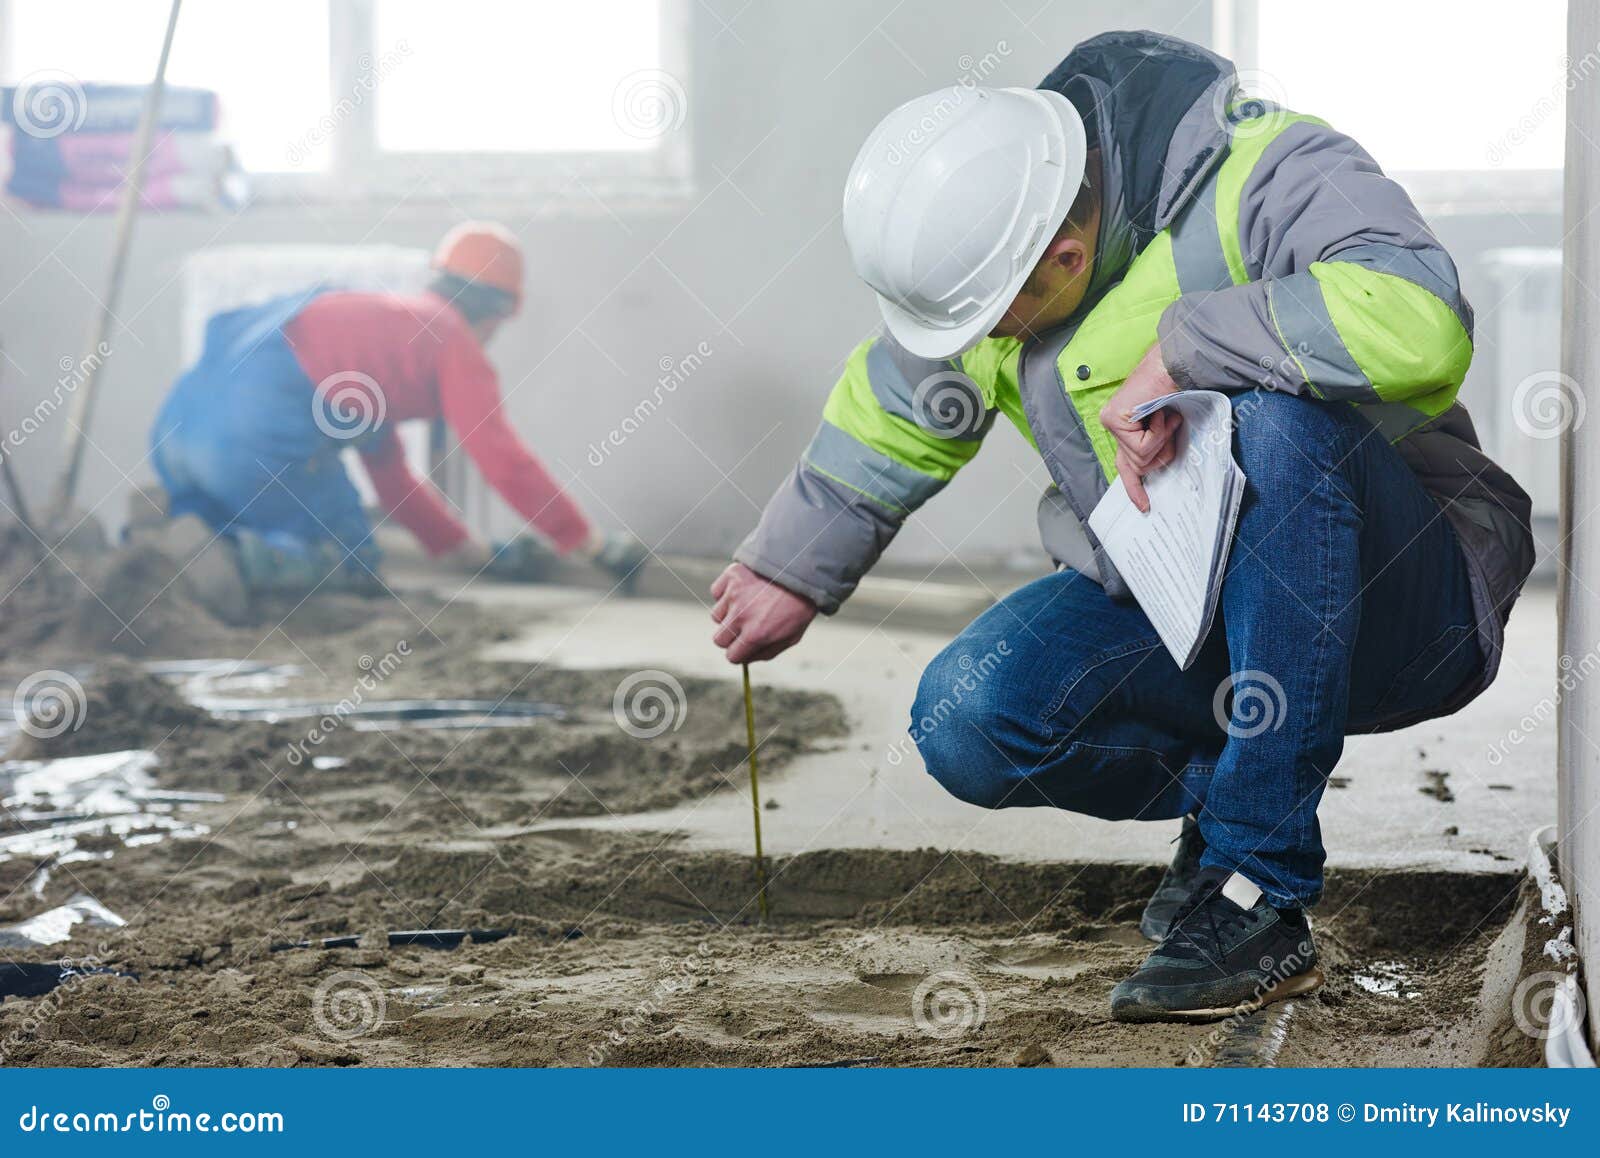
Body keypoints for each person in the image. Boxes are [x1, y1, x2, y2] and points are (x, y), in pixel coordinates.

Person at [709, 32, 1534, 1021]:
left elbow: (1419, 312)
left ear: (1063, 255)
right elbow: (895, 401)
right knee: (968, 717)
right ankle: (1235, 796)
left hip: (1404, 598)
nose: (984, 345)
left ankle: (1254, 888)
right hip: (1192, 604)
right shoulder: (1001, 260)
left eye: (994, 321)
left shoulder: (1265, 171)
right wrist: (790, 567)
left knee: (1267, 421)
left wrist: (1190, 348)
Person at [145, 221, 645, 616]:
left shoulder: (380, 334)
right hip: (254, 430)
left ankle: (163, 540)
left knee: (229, 513)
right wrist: (587, 543)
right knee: (352, 560)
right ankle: (234, 562)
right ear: (497, 313)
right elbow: (502, 459)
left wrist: (464, 551)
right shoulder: (452, 339)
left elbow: (390, 476)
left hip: (181, 429)